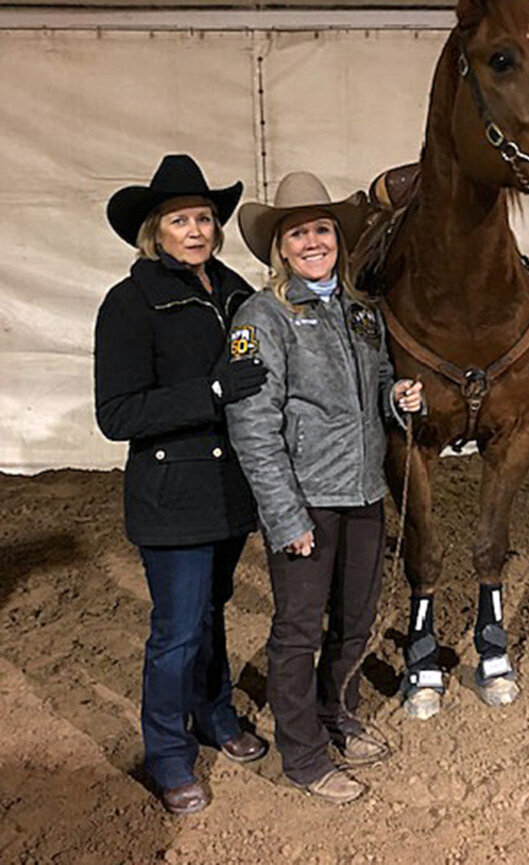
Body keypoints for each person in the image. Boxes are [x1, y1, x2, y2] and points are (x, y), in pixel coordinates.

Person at [225, 171, 423, 805]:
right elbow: (253, 427)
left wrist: (396, 397)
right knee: (299, 631)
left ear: (336, 238)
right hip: (307, 501)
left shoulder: (361, 313)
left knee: (356, 621)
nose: (312, 242)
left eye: (320, 230)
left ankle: (339, 716)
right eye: (298, 233)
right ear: (280, 248)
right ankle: (304, 755)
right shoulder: (262, 317)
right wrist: (286, 519)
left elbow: (379, 386)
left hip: (363, 494)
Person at [94, 153, 269, 815]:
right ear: (154, 232)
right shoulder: (130, 303)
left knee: (211, 613)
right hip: (171, 497)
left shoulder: (237, 294)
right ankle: (167, 752)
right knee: (176, 631)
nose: (195, 229)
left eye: (203, 217)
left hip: (230, 489)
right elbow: (117, 414)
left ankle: (214, 714)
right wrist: (213, 391)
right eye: (179, 220)